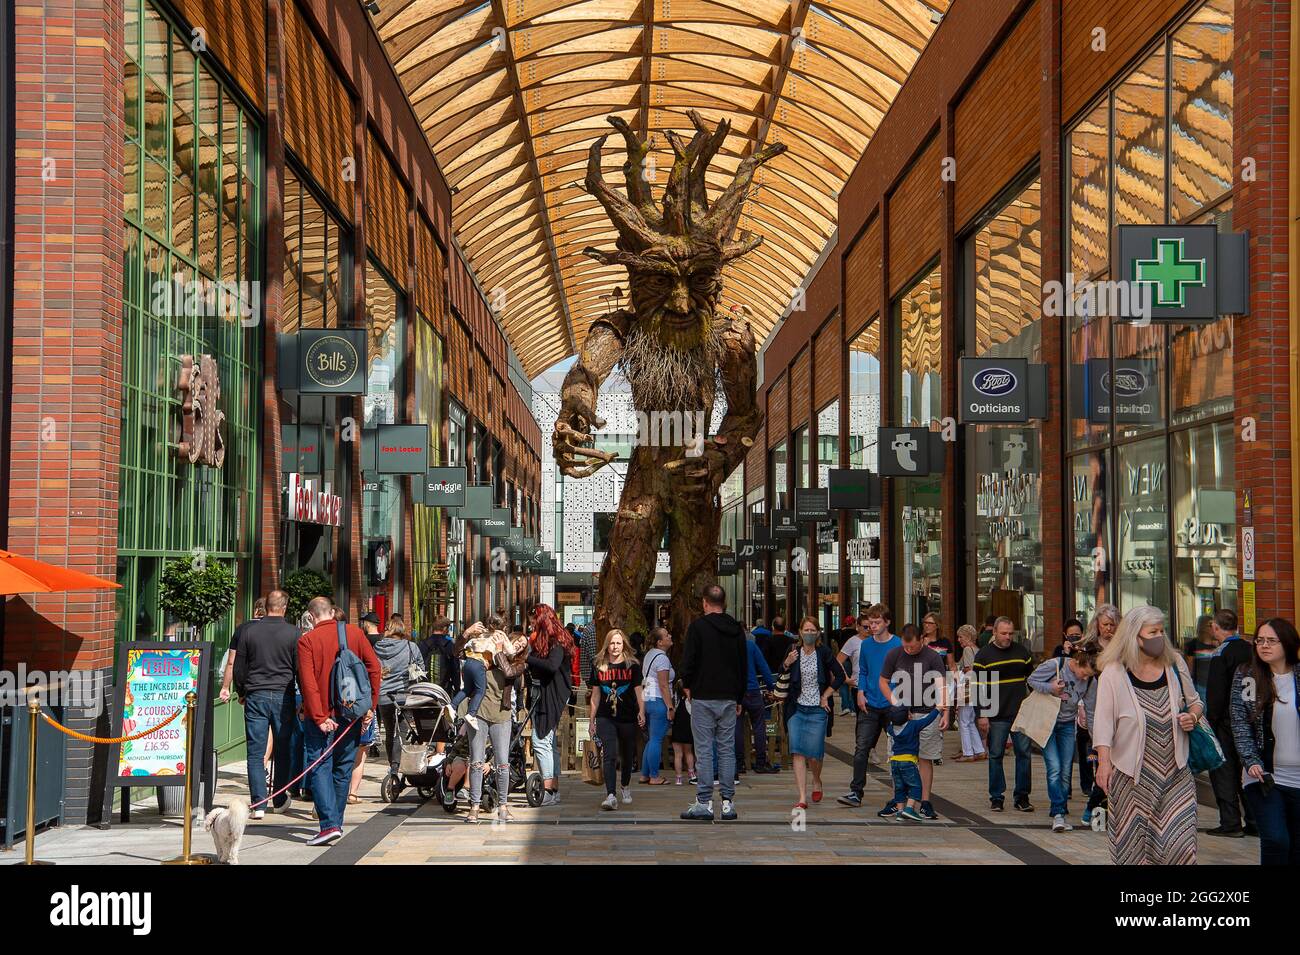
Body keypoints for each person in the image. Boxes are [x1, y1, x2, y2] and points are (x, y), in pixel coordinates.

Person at [1094, 604, 1203, 865]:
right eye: (1152, 632)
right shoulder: (1113, 672)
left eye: (1162, 631)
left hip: (1176, 771)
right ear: (1134, 636)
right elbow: (1103, 722)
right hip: (1131, 775)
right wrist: (1104, 762)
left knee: (1181, 847)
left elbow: (1196, 701)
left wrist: (1193, 716)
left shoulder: (1174, 663)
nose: (1159, 637)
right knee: (1135, 851)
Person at [297, 596, 381, 846]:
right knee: (343, 767)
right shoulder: (354, 633)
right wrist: (370, 707)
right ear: (332, 612)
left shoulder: (307, 641)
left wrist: (320, 716)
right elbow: (374, 668)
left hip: (322, 717)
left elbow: (308, 682)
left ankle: (329, 825)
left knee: (320, 766)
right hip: (351, 714)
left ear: (311, 617)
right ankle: (336, 823)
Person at [1231, 618, 1300, 865]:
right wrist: (1250, 760)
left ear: (1288, 643)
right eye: (1259, 640)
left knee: (1296, 847)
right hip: (1263, 776)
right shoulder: (1247, 676)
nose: (1264, 645)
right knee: (1276, 839)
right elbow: (1240, 721)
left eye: (1271, 640)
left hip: (1298, 777)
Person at [678, 584, 748, 821]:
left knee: (705, 750)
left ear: (705, 603)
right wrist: (739, 696)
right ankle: (728, 802)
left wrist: (687, 685)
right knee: (726, 749)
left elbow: (688, 660)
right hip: (729, 697)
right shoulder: (737, 629)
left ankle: (704, 802)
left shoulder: (698, 628)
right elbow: (742, 664)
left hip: (703, 696)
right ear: (724, 602)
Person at [230, 590, 297, 818]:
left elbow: (239, 666)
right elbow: (300, 669)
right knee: (282, 748)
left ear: (266, 606)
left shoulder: (249, 631)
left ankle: (259, 803)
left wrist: (242, 691)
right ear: (284, 607)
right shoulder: (293, 633)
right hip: (283, 694)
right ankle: (279, 798)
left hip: (255, 694)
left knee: (256, 751)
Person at [879, 624, 947, 820]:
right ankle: (899, 802)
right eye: (906, 647)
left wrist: (945, 712)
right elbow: (883, 681)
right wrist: (896, 704)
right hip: (903, 715)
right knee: (898, 758)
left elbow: (942, 686)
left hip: (927, 712)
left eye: (913, 647)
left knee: (925, 757)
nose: (909, 651)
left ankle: (924, 802)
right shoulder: (894, 654)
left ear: (922, 640)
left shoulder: (932, 657)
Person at [1028, 641, 1099, 832]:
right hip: (1048, 722)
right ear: (1078, 661)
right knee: (1055, 767)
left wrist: (1095, 738)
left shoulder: (1091, 681)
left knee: (1066, 770)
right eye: (1084, 673)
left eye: (1089, 676)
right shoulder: (1055, 665)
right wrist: (1050, 688)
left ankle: (1059, 806)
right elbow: (1031, 681)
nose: (1084, 679)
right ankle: (1058, 811)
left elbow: (1091, 711)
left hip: (1068, 724)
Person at [838, 604, 901, 808]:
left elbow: (903, 675)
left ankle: (900, 792)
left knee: (897, 749)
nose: (872, 626)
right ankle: (856, 792)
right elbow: (863, 670)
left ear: (887, 622)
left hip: (891, 704)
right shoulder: (866, 645)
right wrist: (860, 692)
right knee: (861, 748)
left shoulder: (898, 644)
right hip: (869, 703)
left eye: (877, 622)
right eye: (870, 623)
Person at [464, 629, 528, 824]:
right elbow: (458, 652)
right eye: (518, 642)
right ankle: (474, 806)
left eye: (523, 646)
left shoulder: (518, 664)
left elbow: (508, 672)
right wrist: (466, 634)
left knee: (502, 763)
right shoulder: (485, 655)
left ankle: (503, 806)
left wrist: (501, 652)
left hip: (502, 715)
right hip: (479, 714)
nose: (519, 646)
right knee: (476, 761)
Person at [781, 617, 845, 809]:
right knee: (798, 751)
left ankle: (816, 779)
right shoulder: (793, 651)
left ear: (818, 633)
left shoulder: (824, 652)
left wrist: (826, 694)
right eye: (805, 630)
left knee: (815, 754)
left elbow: (840, 675)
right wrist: (786, 663)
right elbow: (781, 673)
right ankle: (802, 797)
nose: (809, 633)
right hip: (796, 708)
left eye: (812, 630)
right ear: (799, 632)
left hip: (818, 708)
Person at [973, 616, 1035, 813]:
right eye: (1003, 633)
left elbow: (1031, 679)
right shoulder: (983, 655)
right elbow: (978, 688)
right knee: (995, 755)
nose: (1008, 637)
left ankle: (1022, 797)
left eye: (1010, 633)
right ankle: (997, 797)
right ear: (994, 633)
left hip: (1020, 713)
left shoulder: (1022, 651)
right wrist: (981, 715)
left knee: (1024, 755)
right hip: (995, 714)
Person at [1206, 608, 1257, 837]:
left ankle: (1230, 822)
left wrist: (1211, 722)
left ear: (1216, 628)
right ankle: (1255, 820)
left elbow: (1216, 694)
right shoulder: (1252, 649)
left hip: (1226, 722)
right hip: (1251, 719)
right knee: (1249, 768)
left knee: (1224, 771)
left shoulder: (1221, 654)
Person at [588, 628, 645, 810]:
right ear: (607, 644)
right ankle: (611, 795)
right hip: (606, 717)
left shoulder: (632, 665)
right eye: (612, 643)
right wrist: (592, 720)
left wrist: (641, 711)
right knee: (609, 755)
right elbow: (595, 695)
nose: (615, 647)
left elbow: (638, 690)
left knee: (627, 756)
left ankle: (625, 785)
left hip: (627, 716)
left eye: (618, 643)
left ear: (624, 645)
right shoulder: (598, 664)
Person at [526, 604, 574, 807]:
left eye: (532, 622)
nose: (530, 626)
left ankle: (547, 790)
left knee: (540, 742)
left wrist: (528, 659)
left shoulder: (555, 644)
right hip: (550, 694)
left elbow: (552, 666)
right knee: (550, 743)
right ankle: (553, 789)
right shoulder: (554, 641)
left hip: (550, 696)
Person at [1079, 604, 1120, 824]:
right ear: (1097, 624)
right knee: (1101, 760)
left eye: (1113, 625)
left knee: (1115, 761)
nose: (1109, 629)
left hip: (1120, 709)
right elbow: (1080, 677)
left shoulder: (1123, 647)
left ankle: (1102, 809)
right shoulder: (1088, 647)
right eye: (1105, 624)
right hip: (1095, 709)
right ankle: (1095, 810)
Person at [372, 613, 423, 773]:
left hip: (383, 696)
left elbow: (372, 668)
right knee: (401, 732)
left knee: (389, 731)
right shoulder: (410, 647)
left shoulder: (377, 647)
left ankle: (392, 765)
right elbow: (421, 668)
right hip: (404, 695)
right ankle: (396, 766)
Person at [348, 612, 384, 803]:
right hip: (366, 704)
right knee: (361, 750)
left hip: (347, 706)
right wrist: (371, 706)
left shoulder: (350, 654)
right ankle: (353, 792)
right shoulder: (381, 642)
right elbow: (376, 671)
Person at [886, 705, 942, 822]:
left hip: (895, 761)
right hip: (908, 762)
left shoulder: (891, 728)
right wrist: (938, 709)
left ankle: (900, 811)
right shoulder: (913, 726)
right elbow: (927, 720)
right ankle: (909, 808)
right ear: (909, 716)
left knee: (899, 788)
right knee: (915, 786)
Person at [737, 624, 778, 774]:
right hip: (753, 690)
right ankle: (761, 762)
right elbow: (763, 667)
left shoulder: (729, 647)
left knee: (737, 727)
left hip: (736, 693)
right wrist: (771, 687)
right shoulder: (751, 646)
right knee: (759, 726)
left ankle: (739, 763)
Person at [640, 626, 675, 785]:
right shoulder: (662, 658)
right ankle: (654, 776)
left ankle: (645, 774)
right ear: (660, 642)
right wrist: (670, 706)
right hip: (658, 700)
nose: (670, 636)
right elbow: (663, 685)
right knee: (656, 739)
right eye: (666, 635)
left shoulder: (649, 655)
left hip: (647, 699)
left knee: (651, 739)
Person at [220, 597, 266, 703]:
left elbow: (231, 662)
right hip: (274, 688)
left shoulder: (242, 629)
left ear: (255, 611)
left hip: (249, 687)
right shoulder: (276, 629)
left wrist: (226, 687)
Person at [953, 624, 986, 762]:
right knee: (971, 721)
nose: (959, 640)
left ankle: (968, 753)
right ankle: (979, 750)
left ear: (967, 637)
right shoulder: (978, 650)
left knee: (963, 721)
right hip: (979, 689)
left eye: (960, 637)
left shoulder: (967, 649)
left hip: (968, 688)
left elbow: (968, 670)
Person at [417, 615, 458, 694]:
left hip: (425, 689)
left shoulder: (422, 644)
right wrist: (457, 689)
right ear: (445, 628)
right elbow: (455, 669)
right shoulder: (449, 645)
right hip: (443, 690)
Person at [671, 671, 696, 786]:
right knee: (689, 753)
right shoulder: (690, 701)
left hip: (677, 728)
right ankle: (691, 773)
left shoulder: (675, 700)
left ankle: (678, 778)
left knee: (678, 754)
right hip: (688, 729)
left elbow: (673, 713)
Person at [1183, 614, 1216, 700]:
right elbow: (1189, 669)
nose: (1214, 628)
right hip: (1200, 686)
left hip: (1216, 685)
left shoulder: (1218, 644)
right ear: (1204, 627)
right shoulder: (1193, 645)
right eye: (1211, 625)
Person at [835, 614, 862, 717]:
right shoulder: (857, 634)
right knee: (852, 683)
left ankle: (845, 706)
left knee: (845, 684)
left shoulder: (841, 632)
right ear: (855, 624)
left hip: (846, 660)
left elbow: (830, 634)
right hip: (852, 661)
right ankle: (852, 708)